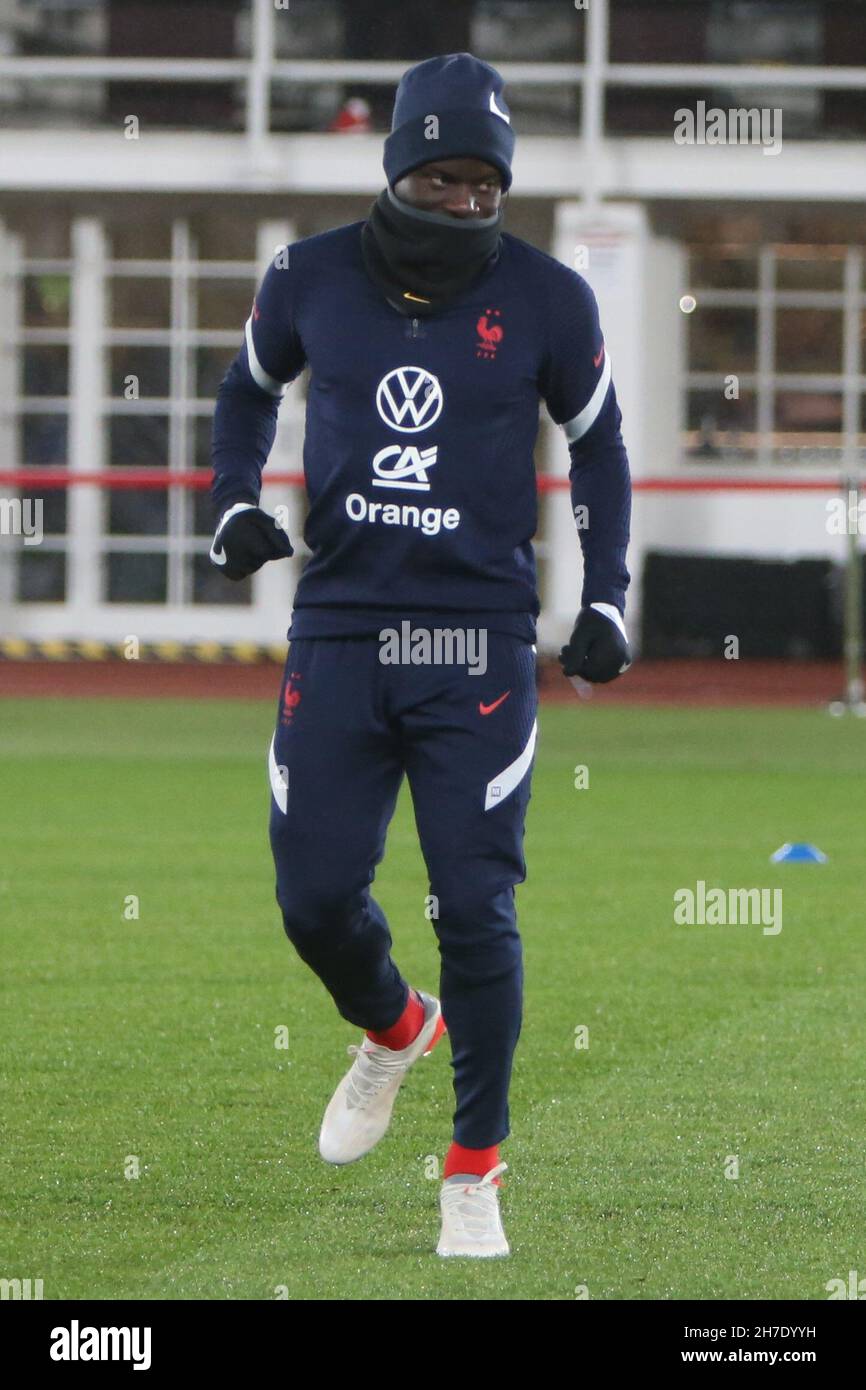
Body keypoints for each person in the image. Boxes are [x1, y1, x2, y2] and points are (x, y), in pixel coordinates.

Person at [209, 53, 632, 1259]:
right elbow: (243, 394)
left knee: (476, 905)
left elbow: (596, 450)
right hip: (339, 632)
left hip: (477, 643)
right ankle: (395, 1027)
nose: (462, 202)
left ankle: (472, 1166)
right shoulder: (307, 275)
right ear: (397, 167)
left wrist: (603, 595)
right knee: (312, 895)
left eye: (483, 185)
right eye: (440, 177)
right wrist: (232, 504)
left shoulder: (550, 299)